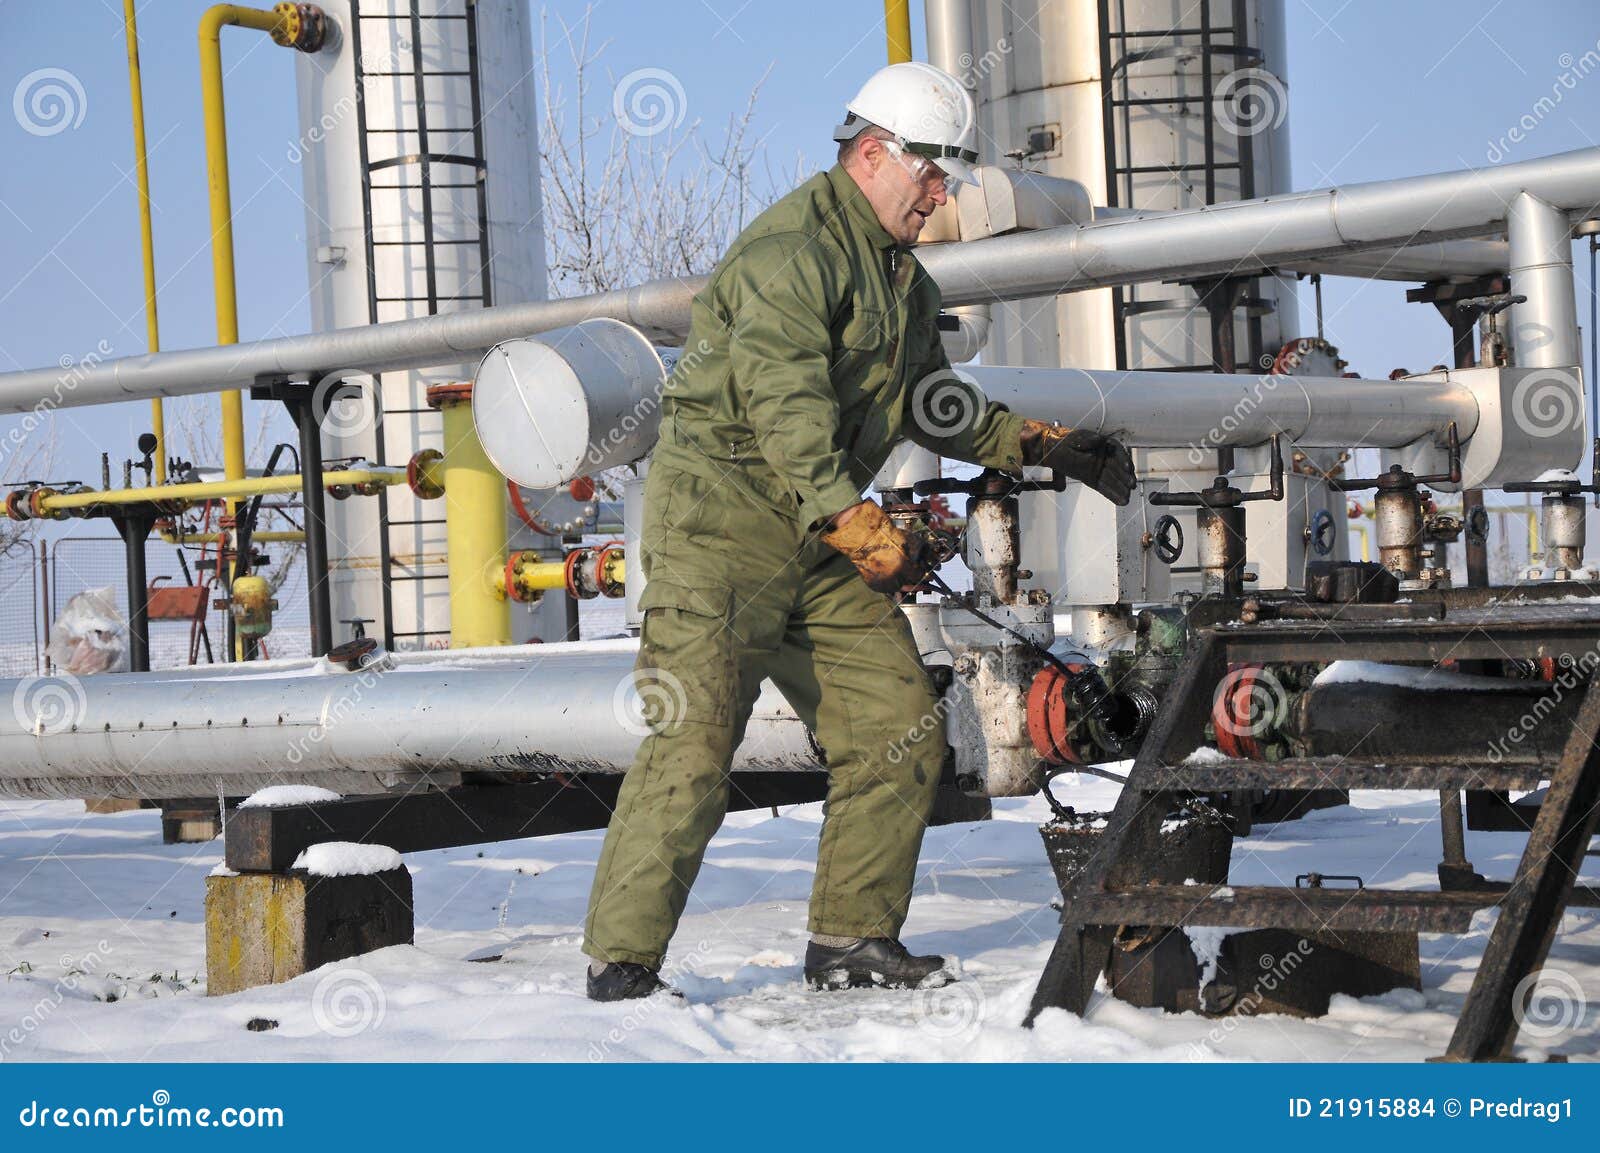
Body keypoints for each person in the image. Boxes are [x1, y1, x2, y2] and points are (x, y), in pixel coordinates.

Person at [582, 61, 1135, 1001]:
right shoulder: (790, 255)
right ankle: (622, 964)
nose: (941, 195)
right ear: (872, 153)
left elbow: (931, 400)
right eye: (930, 173)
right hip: (722, 536)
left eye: (949, 177)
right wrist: (858, 522)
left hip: (822, 537)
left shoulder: (899, 277)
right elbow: (786, 410)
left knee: (897, 725)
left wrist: (1045, 444)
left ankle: (849, 938)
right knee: (694, 745)